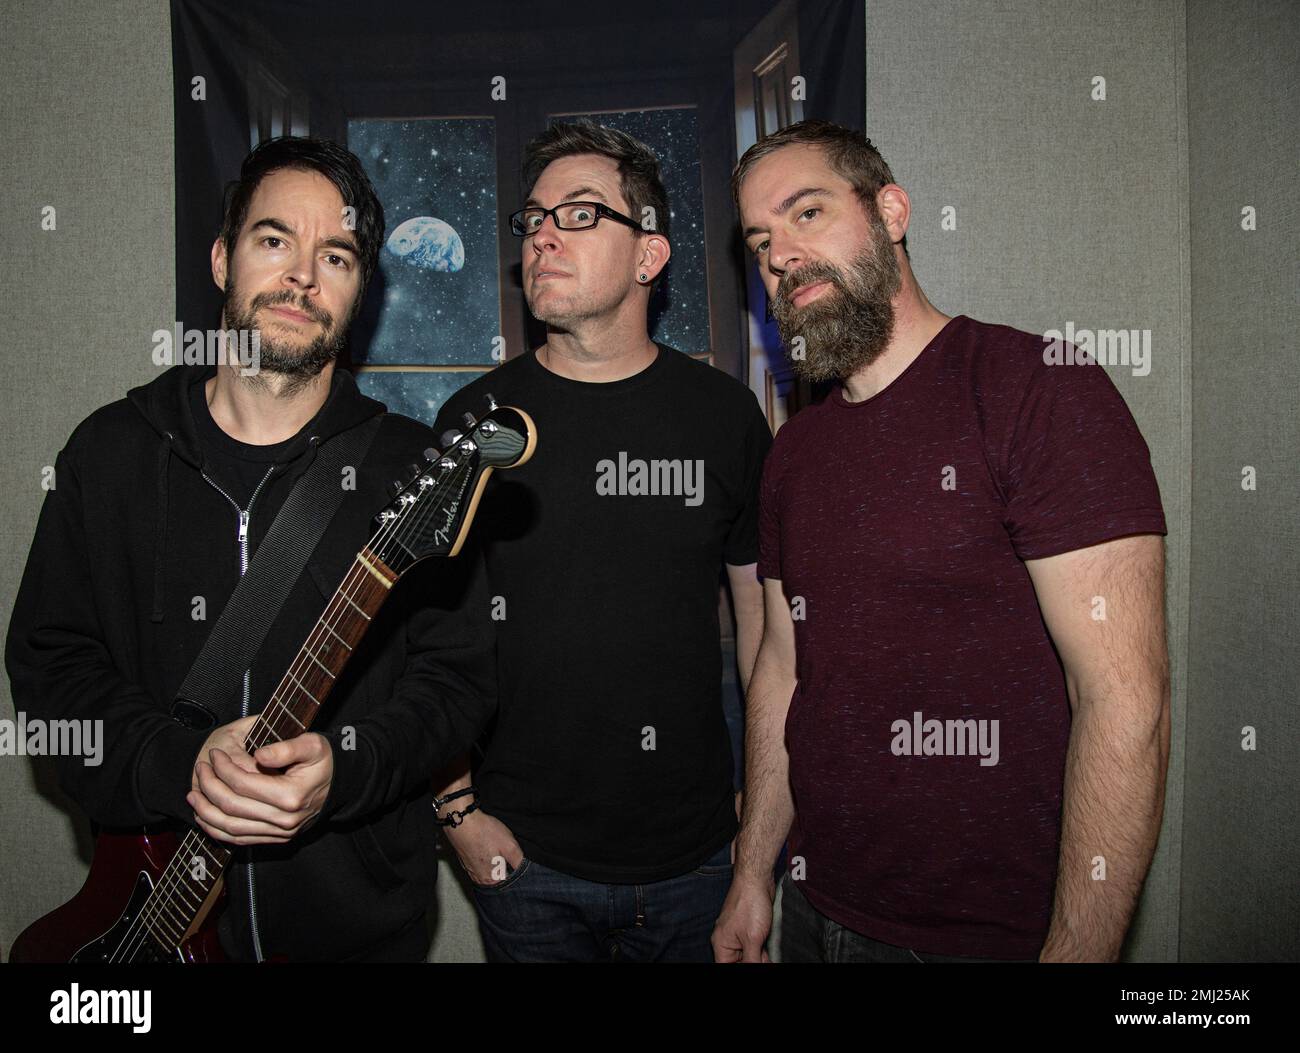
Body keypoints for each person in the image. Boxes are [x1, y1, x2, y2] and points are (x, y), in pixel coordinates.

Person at [6, 135, 495, 962]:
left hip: (359, 936)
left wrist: (346, 767)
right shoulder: (109, 453)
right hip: (143, 916)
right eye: (274, 241)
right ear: (223, 258)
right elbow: (53, 672)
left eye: (334, 255)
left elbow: (459, 686)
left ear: (359, 290)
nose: (302, 276)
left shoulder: (415, 471)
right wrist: (177, 761)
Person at [713, 119, 1170, 963]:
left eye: (806, 213)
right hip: (815, 907)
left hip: (991, 937)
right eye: (761, 239)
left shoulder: (1040, 388)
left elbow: (1124, 700)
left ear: (890, 210)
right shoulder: (794, 452)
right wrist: (752, 874)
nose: (780, 255)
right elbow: (781, 666)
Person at [432, 121, 770, 962]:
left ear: (649, 256)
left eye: (580, 215)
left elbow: (770, 638)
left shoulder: (724, 417)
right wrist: (458, 816)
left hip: (699, 856)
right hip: (527, 863)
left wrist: (755, 832)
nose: (543, 233)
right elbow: (427, 645)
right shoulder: (476, 423)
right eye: (535, 217)